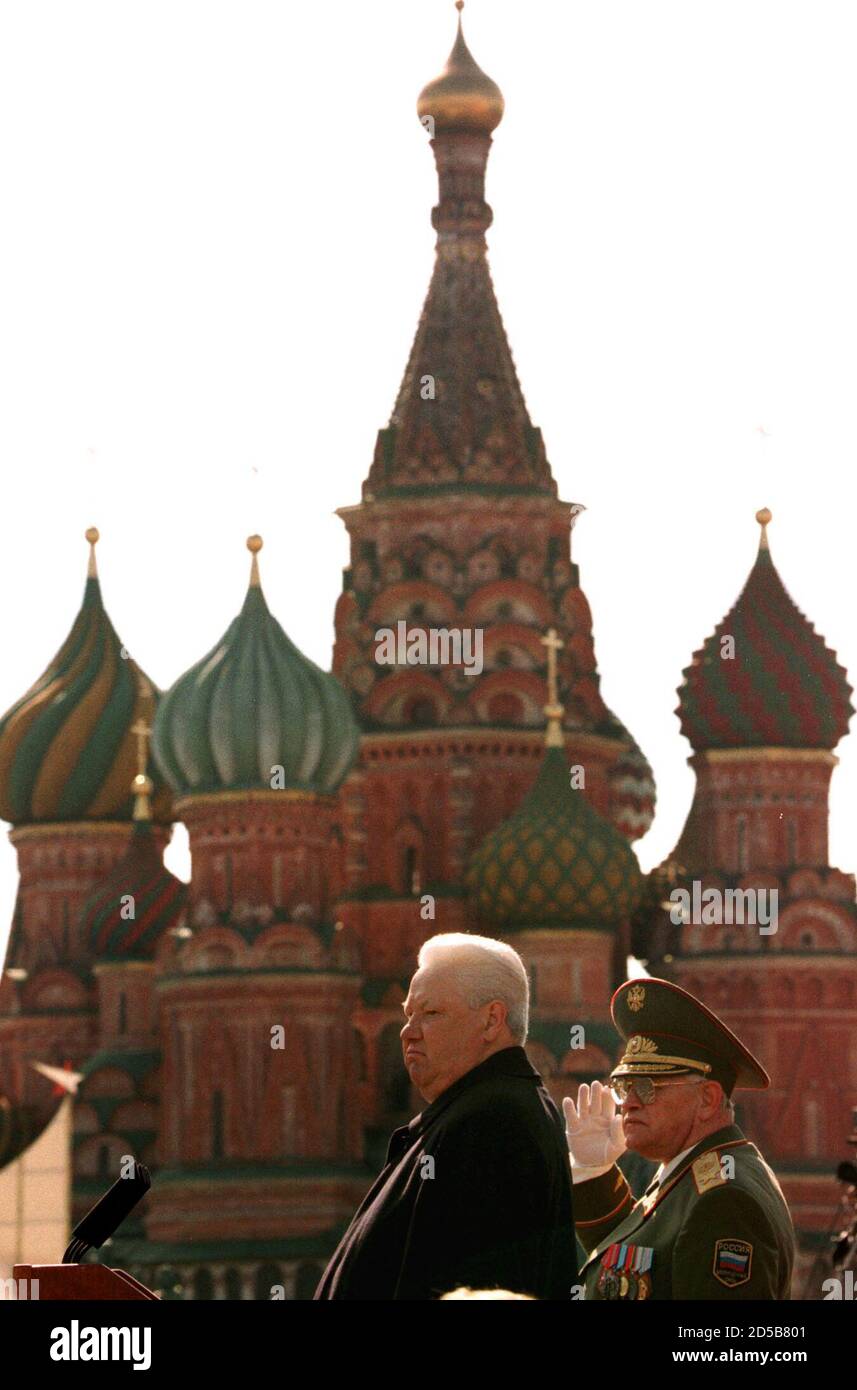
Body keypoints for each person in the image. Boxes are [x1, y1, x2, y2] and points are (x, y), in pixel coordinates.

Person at [315, 932, 576, 1300]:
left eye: (431, 1013)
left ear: (491, 1021)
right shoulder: (474, 1112)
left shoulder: (493, 1122)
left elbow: (479, 1288)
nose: (407, 1032)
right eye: (408, 1014)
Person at [563, 977, 795, 1300]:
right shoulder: (694, 1170)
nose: (629, 1102)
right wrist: (593, 1173)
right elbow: (634, 1271)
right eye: (625, 1086)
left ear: (707, 1100)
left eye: (648, 1087)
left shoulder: (724, 1203)